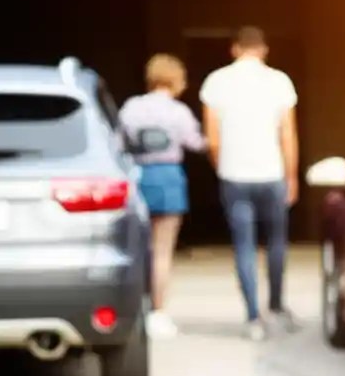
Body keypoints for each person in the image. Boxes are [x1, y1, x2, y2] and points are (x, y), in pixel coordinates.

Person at [199, 26, 300, 341]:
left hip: (235, 175)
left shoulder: (216, 82)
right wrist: (292, 175)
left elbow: (211, 139)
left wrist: (221, 165)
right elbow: (287, 134)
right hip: (271, 173)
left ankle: (253, 317)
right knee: (276, 243)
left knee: (244, 245)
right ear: (264, 50)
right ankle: (277, 306)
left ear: (234, 49)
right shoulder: (279, 81)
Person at [119, 53, 207, 339]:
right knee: (162, 251)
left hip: (139, 177)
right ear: (176, 80)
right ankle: (158, 312)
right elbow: (195, 143)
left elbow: (117, 144)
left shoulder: (131, 108)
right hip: (168, 177)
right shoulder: (178, 112)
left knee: (138, 248)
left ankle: (136, 309)